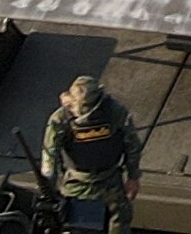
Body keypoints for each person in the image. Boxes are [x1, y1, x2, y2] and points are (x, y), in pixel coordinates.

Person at [42, 71, 141, 217]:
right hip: (76, 182)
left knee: (119, 222)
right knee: (69, 224)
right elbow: (50, 155)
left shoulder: (115, 112)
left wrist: (133, 177)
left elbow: (132, 145)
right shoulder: (60, 119)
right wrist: (48, 188)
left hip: (110, 180)